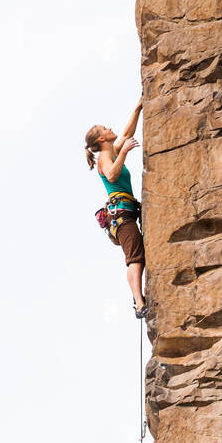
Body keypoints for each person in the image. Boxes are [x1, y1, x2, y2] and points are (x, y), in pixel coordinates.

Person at [85, 101, 147, 318]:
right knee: (135, 257)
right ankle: (139, 303)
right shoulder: (105, 157)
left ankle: (138, 298)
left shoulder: (111, 151)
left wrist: (138, 108)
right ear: (101, 139)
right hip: (120, 215)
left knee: (137, 254)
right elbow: (111, 174)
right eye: (105, 129)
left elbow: (127, 132)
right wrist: (125, 152)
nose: (110, 128)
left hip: (126, 211)